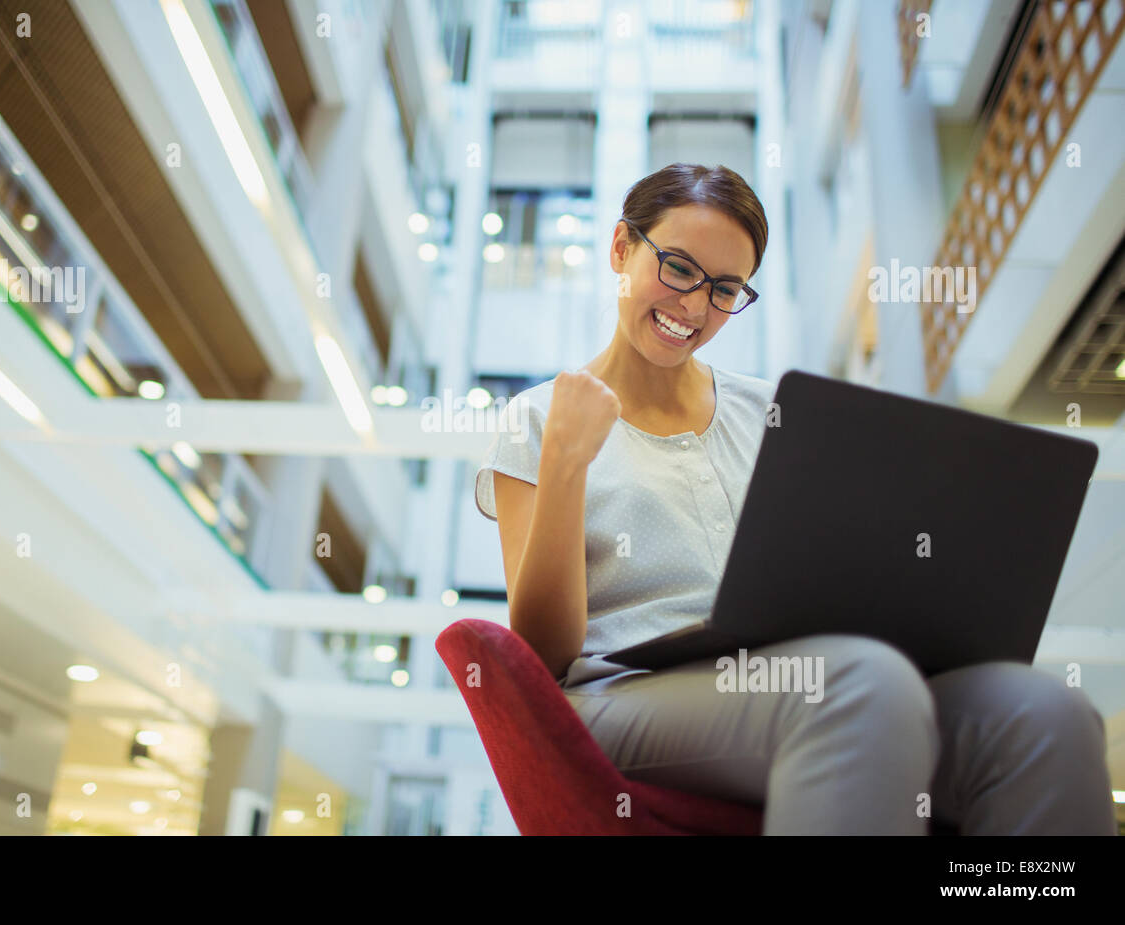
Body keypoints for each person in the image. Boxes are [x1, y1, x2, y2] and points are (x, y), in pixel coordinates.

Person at [473, 162, 1117, 835]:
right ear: (621, 248)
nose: (694, 306)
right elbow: (543, 655)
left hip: (805, 674)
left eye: (725, 289)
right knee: (858, 683)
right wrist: (568, 460)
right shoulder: (539, 417)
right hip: (617, 699)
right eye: (679, 267)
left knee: (1045, 714)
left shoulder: (775, 410)